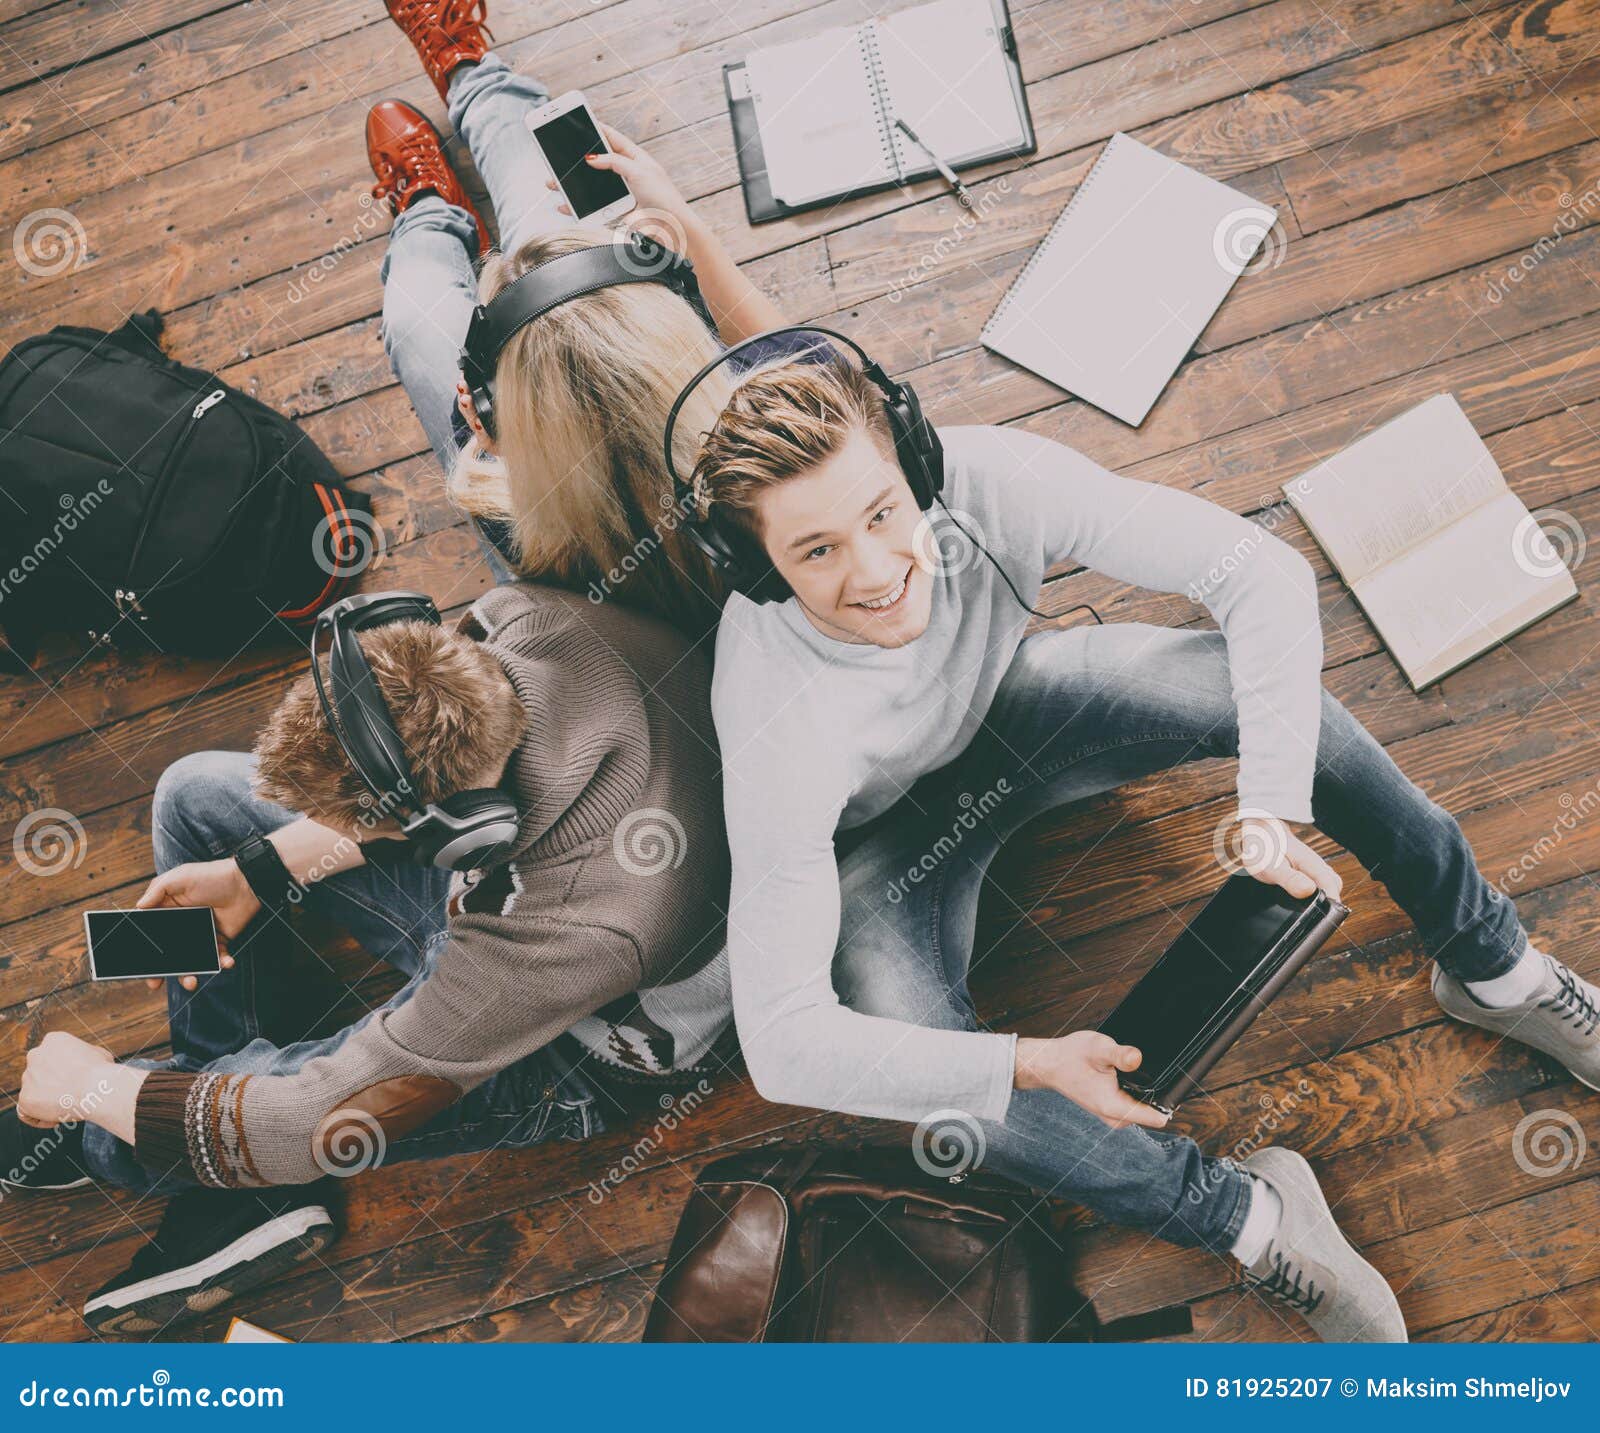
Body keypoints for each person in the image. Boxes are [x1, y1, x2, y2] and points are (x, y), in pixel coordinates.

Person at [686, 347, 1600, 1343]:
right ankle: (1249, 1218)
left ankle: (1493, 966)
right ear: (760, 570)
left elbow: (1260, 573)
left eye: (880, 511)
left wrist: (1266, 803)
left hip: (1015, 708)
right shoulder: (772, 715)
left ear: (916, 459)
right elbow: (780, 1042)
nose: (873, 570)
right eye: (814, 550)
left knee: (1273, 704)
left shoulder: (997, 477)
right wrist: (1024, 1062)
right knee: (955, 1089)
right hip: (881, 850)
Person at [5, 582, 732, 1334]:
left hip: (574, 1049)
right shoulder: (517, 619)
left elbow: (319, 1117)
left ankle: (179, 1155)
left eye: (365, 828)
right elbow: (426, 770)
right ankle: (239, 1184)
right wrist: (254, 871)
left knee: (132, 1119)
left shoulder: (581, 921)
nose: (320, 834)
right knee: (193, 795)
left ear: (455, 834)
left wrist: (91, 1091)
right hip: (507, 888)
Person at [365, 0, 788, 636]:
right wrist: (684, 222)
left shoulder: (526, 543)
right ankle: (470, 73)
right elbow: (788, 348)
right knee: (538, 202)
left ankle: (428, 207)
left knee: (413, 312)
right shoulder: (794, 420)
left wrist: (493, 455)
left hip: (597, 613)